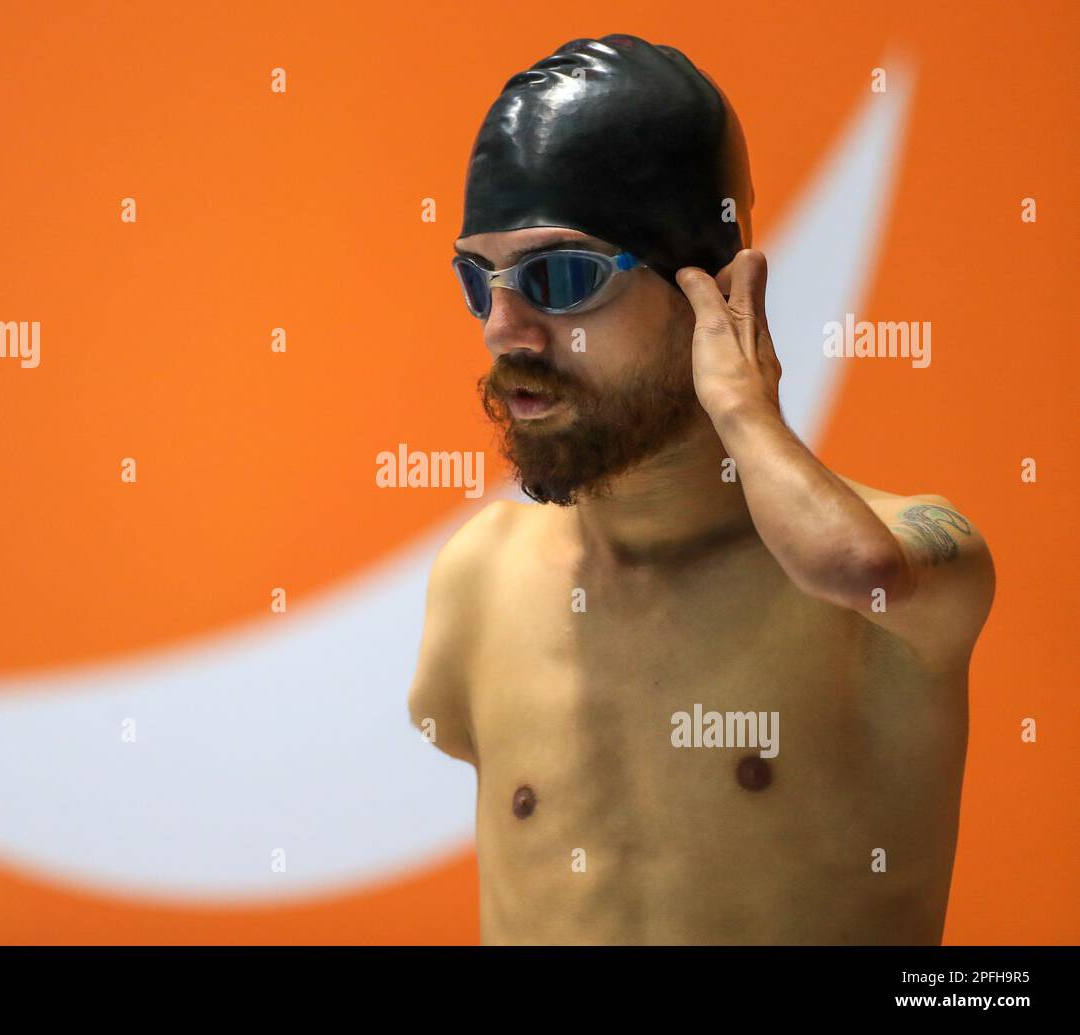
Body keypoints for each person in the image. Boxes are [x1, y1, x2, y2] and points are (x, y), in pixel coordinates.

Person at [407, 34, 994, 945]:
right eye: (477, 280)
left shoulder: (900, 571)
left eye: (561, 278)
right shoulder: (476, 578)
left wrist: (743, 408)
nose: (503, 329)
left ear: (714, 291)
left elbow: (855, 568)